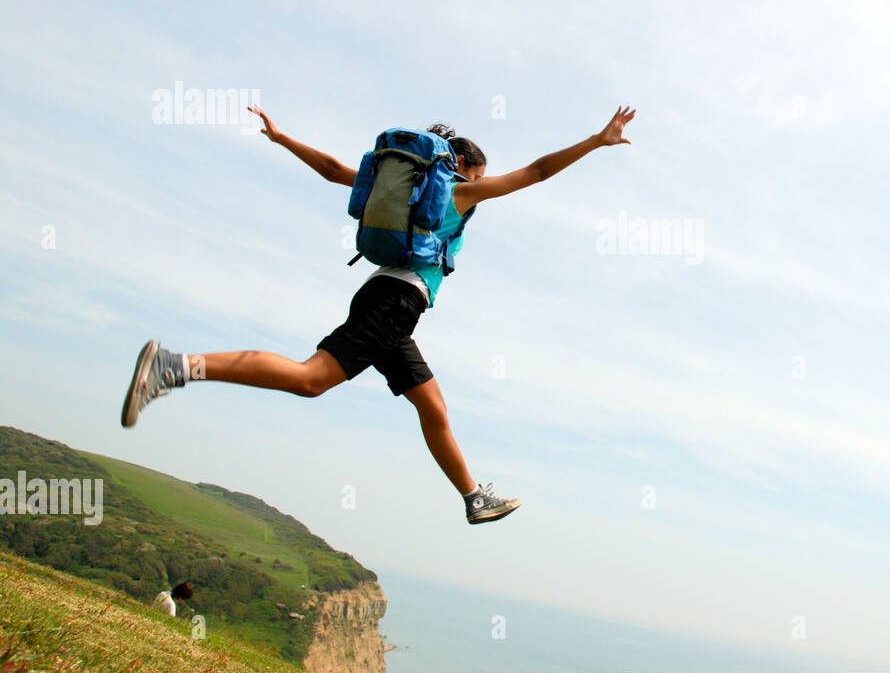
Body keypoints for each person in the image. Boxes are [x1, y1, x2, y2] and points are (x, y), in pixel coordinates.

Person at [121, 104, 636, 524]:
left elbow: (331, 171)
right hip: (395, 303)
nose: (480, 189)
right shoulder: (458, 191)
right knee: (310, 379)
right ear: (460, 170)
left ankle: (474, 497)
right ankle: (174, 366)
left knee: (432, 408)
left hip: (388, 301)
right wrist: (597, 140)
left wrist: (283, 140)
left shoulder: (403, 188)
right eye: (478, 178)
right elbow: (538, 172)